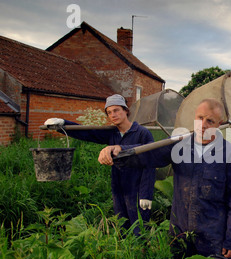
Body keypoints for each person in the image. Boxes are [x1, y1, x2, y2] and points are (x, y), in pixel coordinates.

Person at [98, 98, 231, 259]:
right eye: (200, 118)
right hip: (179, 232)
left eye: (210, 121)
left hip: (212, 235)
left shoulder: (229, 154)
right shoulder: (179, 145)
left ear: (219, 124)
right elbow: (148, 154)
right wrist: (119, 150)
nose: (203, 125)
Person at [44, 94, 156, 236]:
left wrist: (146, 194)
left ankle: (142, 254)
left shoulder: (142, 132)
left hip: (137, 188)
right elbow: (88, 132)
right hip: (118, 187)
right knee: (121, 225)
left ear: (126, 110)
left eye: (116, 110)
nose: (113, 115)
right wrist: (63, 125)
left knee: (139, 227)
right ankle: (123, 254)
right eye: (109, 112)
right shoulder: (112, 133)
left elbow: (151, 160)